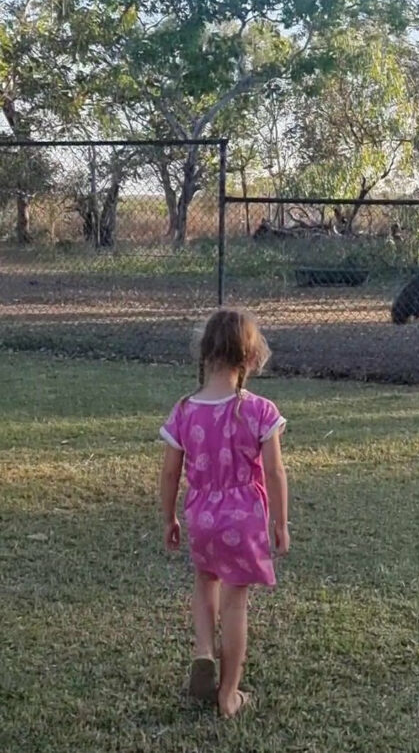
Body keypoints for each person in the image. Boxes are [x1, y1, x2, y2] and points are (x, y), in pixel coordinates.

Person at [158, 307, 289, 718]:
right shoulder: (258, 410)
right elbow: (274, 471)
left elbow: (169, 472)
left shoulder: (184, 410)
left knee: (204, 581)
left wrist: (169, 518)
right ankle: (229, 693)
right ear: (249, 358)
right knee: (235, 603)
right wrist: (280, 522)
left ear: (205, 352)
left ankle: (202, 649)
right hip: (243, 519)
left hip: (201, 515)